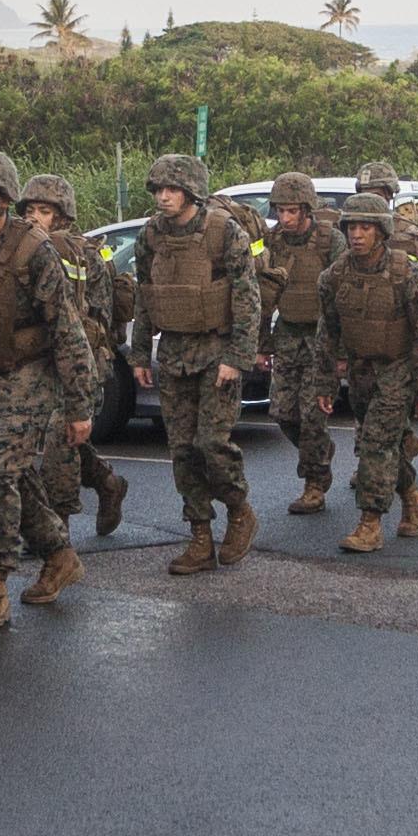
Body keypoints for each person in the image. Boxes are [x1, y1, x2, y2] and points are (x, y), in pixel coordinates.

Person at [0, 150, 95, 630]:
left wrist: (78, 405)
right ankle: (58, 553)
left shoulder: (34, 249)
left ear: (4, 199)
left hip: (31, 378)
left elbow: (68, 329)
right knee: (17, 477)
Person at [129, 154, 265, 572]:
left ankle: (239, 510)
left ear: (191, 192)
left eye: (172, 189)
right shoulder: (150, 235)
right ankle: (200, 536)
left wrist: (238, 358)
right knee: (183, 451)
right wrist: (138, 353)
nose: (163, 197)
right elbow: (145, 293)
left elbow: (247, 297)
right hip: (172, 354)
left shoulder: (224, 232)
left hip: (216, 353)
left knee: (212, 444)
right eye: (158, 189)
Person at [320, 191, 418, 554]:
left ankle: (370, 523)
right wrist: (326, 383)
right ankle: (411, 495)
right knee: (389, 445)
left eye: (365, 227)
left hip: (399, 369)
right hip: (360, 372)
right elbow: (326, 334)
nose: (357, 235)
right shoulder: (335, 275)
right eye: (351, 227)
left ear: (381, 231)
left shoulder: (406, 273)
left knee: (374, 443)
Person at [20, 172, 131, 550]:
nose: (35, 217)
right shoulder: (23, 250)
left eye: (45, 211)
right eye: (30, 210)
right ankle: (106, 482)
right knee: (68, 441)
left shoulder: (84, 255)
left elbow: (89, 316)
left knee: (59, 440)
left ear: (63, 216)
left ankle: (58, 529)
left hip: (81, 362)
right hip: (36, 363)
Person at [256, 170, 341, 516]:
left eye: (293, 211)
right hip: (288, 334)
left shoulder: (330, 240)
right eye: (280, 211)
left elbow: (343, 297)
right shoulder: (270, 242)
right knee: (282, 413)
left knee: (311, 416)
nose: (286, 218)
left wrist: (342, 352)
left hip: (322, 338)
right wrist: (263, 344)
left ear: (307, 209)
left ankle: (314, 482)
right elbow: (260, 295)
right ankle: (320, 452)